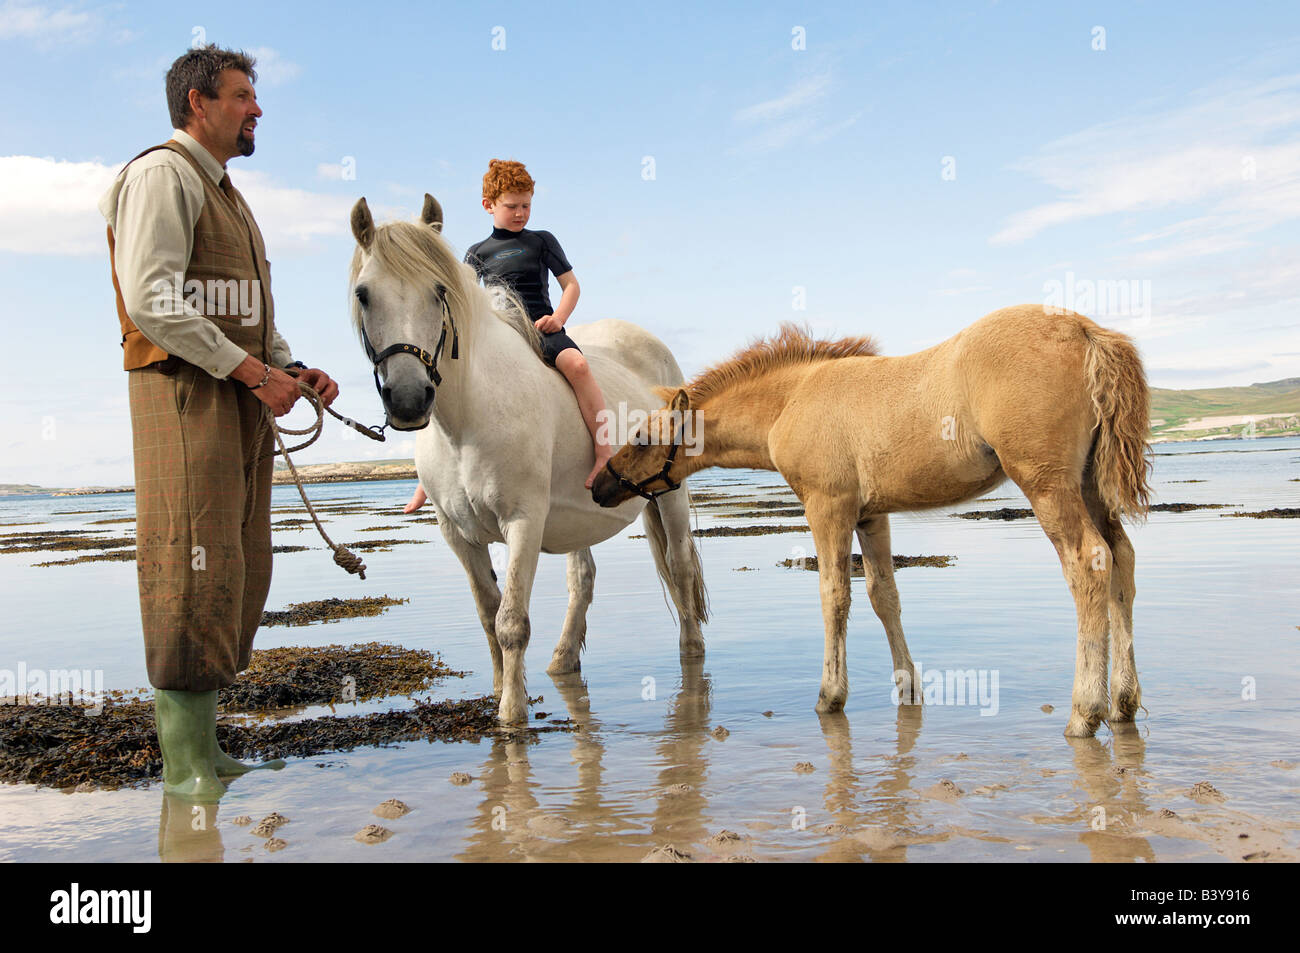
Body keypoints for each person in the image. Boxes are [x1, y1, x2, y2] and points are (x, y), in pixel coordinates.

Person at [98, 44, 339, 799]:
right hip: (184, 396)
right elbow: (151, 298)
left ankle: (207, 749)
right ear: (198, 104)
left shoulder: (228, 191)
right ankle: (184, 768)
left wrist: (292, 369)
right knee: (187, 559)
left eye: (254, 96)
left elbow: (248, 314)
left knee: (237, 562)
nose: (256, 108)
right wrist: (254, 374)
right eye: (241, 96)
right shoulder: (161, 175)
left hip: (241, 397)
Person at [403, 159, 612, 513]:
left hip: (540, 328)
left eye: (526, 205)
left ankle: (605, 452)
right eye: (512, 206)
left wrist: (557, 319)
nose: (521, 213)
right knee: (446, 379)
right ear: (489, 205)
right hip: (496, 336)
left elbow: (572, 286)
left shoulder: (542, 241)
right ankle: (428, 479)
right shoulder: (477, 252)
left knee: (577, 365)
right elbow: (462, 302)